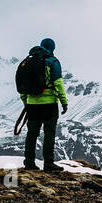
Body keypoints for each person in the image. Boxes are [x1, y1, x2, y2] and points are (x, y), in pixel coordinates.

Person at [21, 37, 68, 171]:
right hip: (49, 104)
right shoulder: (53, 62)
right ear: (52, 48)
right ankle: (48, 163)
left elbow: (22, 84)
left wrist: (26, 101)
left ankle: (29, 163)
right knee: (49, 133)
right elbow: (58, 83)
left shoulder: (28, 61)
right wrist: (64, 102)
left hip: (31, 104)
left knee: (32, 133)